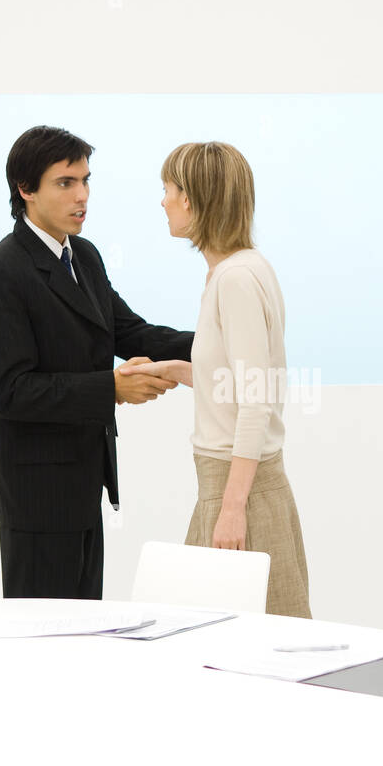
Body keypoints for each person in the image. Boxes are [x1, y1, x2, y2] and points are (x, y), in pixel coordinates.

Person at [0, 126, 193, 600]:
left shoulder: (83, 257)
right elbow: (11, 392)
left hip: (86, 482)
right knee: (44, 644)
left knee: (85, 636)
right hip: (37, 497)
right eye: (66, 183)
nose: (82, 196)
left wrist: (217, 342)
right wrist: (109, 389)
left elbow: (132, 333)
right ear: (25, 190)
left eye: (86, 181)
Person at [122, 142, 310, 617]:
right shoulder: (239, 270)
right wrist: (176, 370)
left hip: (238, 489)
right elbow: (234, 380)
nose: (162, 201)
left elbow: (256, 401)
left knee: (250, 643)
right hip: (232, 485)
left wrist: (231, 508)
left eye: (167, 189)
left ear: (192, 198)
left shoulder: (235, 280)